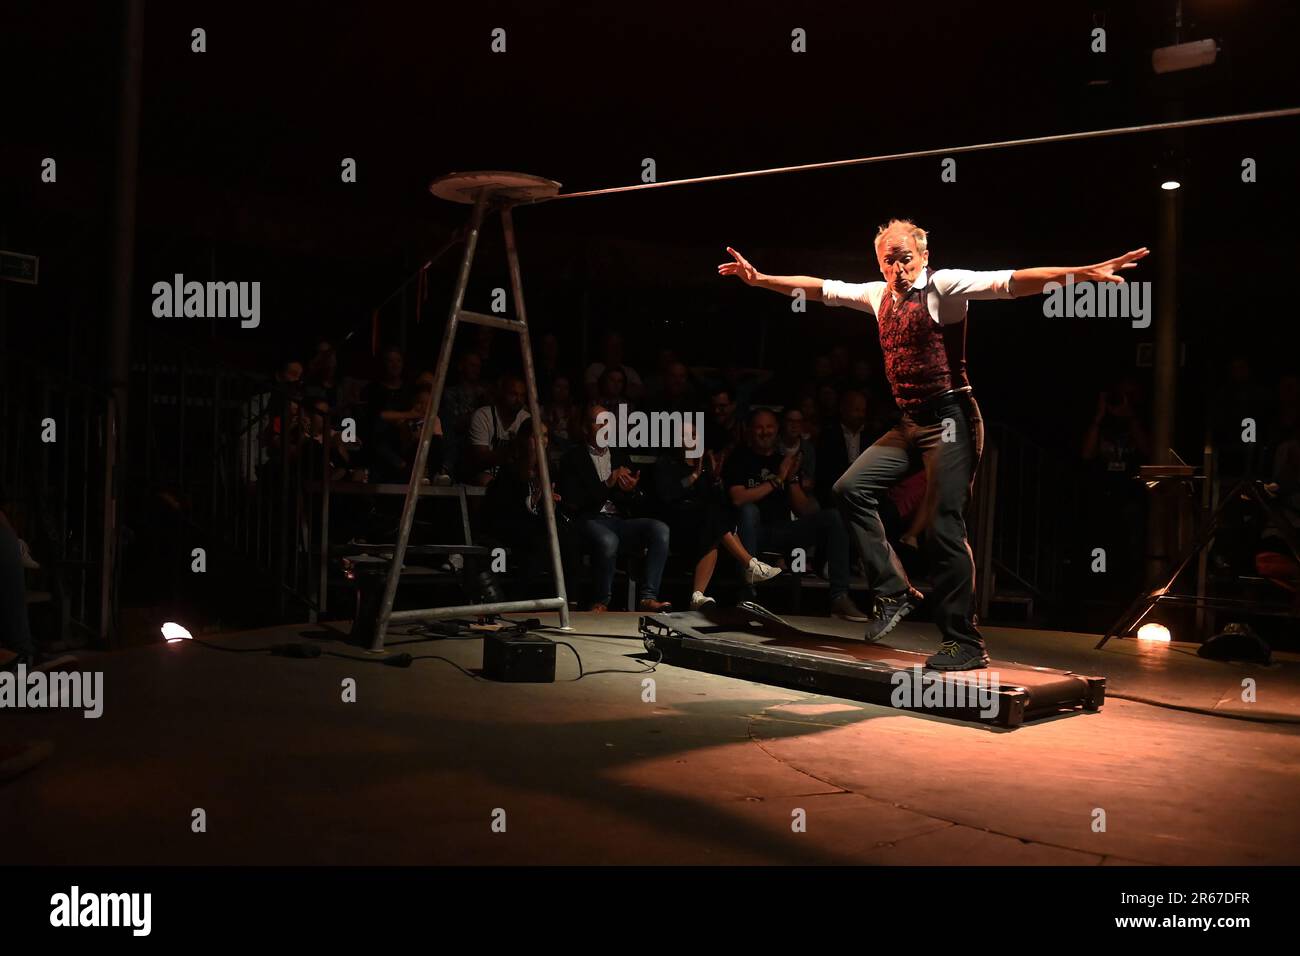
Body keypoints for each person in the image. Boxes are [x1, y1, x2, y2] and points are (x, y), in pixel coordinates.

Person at [719, 220, 1148, 669]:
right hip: (909, 424)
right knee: (849, 489)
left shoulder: (944, 286)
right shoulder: (877, 294)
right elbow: (822, 288)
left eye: (905, 258)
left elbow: (1014, 281)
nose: (898, 268)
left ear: (923, 257)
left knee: (944, 526)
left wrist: (1081, 273)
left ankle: (965, 642)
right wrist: (761, 279)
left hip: (951, 419)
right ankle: (894, 588)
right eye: (889, 260)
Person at [724, 408, 868, 621]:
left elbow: (803, 509)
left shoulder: (783, 461)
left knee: (834, 518)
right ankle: (748, 594)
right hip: (751, 533)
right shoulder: (740, 457)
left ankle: (840, 597)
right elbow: (738, 498)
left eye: (769, 427)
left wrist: (791, 479)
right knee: (748, 510)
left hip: (782, 531)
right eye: (759, 427)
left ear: (777, 430)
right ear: (750, 431)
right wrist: (777, 479)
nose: (765, 432)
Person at [652, 422, 781, 609]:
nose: (690, 439)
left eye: (694, 435)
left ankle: (698, 596)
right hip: (677, 525)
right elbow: (667, 495)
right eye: (684, 435)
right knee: (714, 521)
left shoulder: (705, 466)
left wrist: (715, 479)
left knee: (715, 523)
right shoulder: (666, 463)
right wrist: (694, 476)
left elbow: (716, 502)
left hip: (703, 525)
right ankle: (750, 565)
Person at [558, 404, 672, 612]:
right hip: (587, 520)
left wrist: (632, 491)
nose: (605, 427)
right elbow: (575, 501)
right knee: (608, 540)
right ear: (586, 428)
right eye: (598, 422)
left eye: (608, 422)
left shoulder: (620, 455)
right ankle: (601, 600)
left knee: (659, 529)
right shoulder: (573, 458)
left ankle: (647, 597)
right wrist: (608, 484)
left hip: (618, 521)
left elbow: (636, 502)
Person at [466, 374, 529, 485]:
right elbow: (480, 458)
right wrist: (509, 451)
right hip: (486, 473)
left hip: (515, 474)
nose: (518, 399)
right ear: (501, 394)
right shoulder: (483, 416)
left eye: (522, 395)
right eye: (513, 394)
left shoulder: (526, 419)